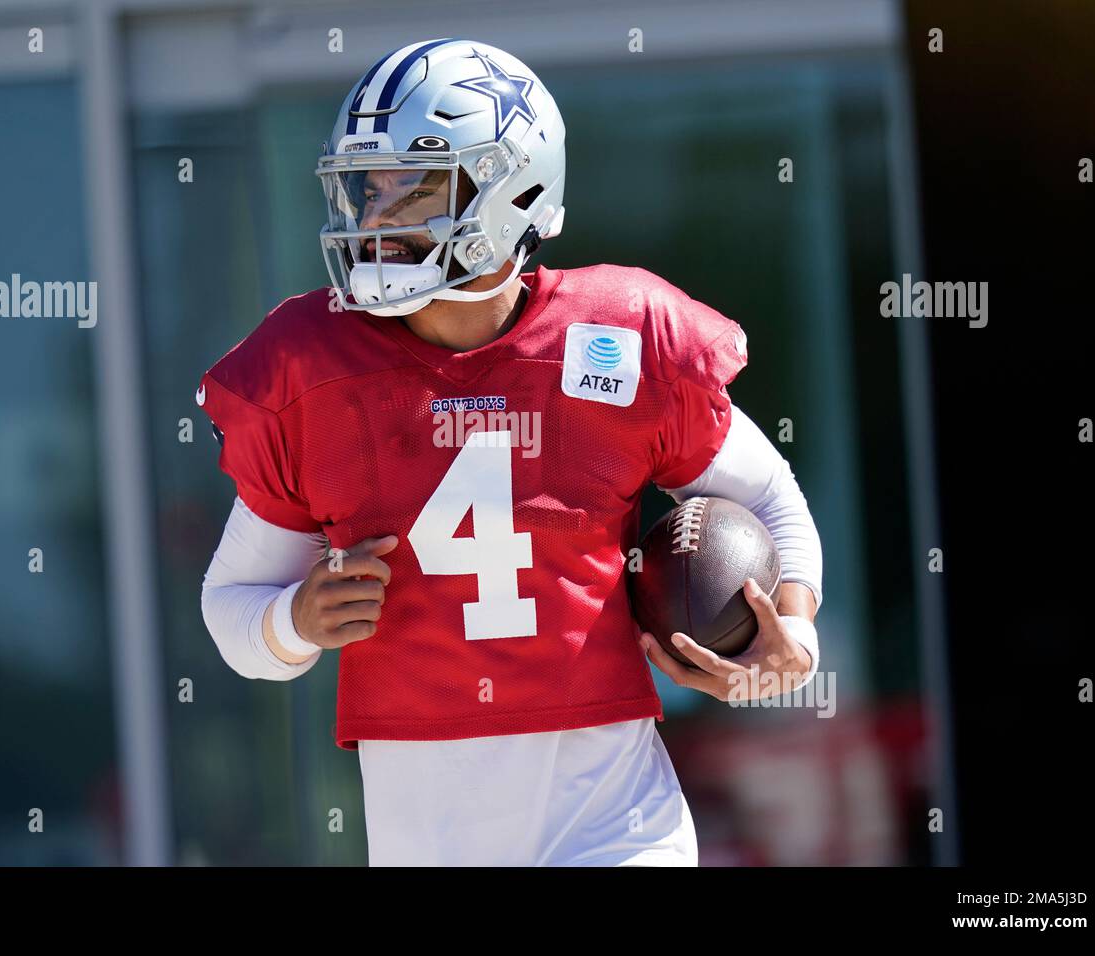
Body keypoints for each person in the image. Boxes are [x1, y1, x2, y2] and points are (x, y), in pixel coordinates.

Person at [197, 39, 823, 866]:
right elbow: (231, 606)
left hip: (615, 830)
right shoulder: (312, 369)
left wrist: (794, 634)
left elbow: (773, 497)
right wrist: (296, 619)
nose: (375, 218)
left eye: (412, 187)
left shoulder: (617, 337)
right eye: (366, 187)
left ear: (513, 186)